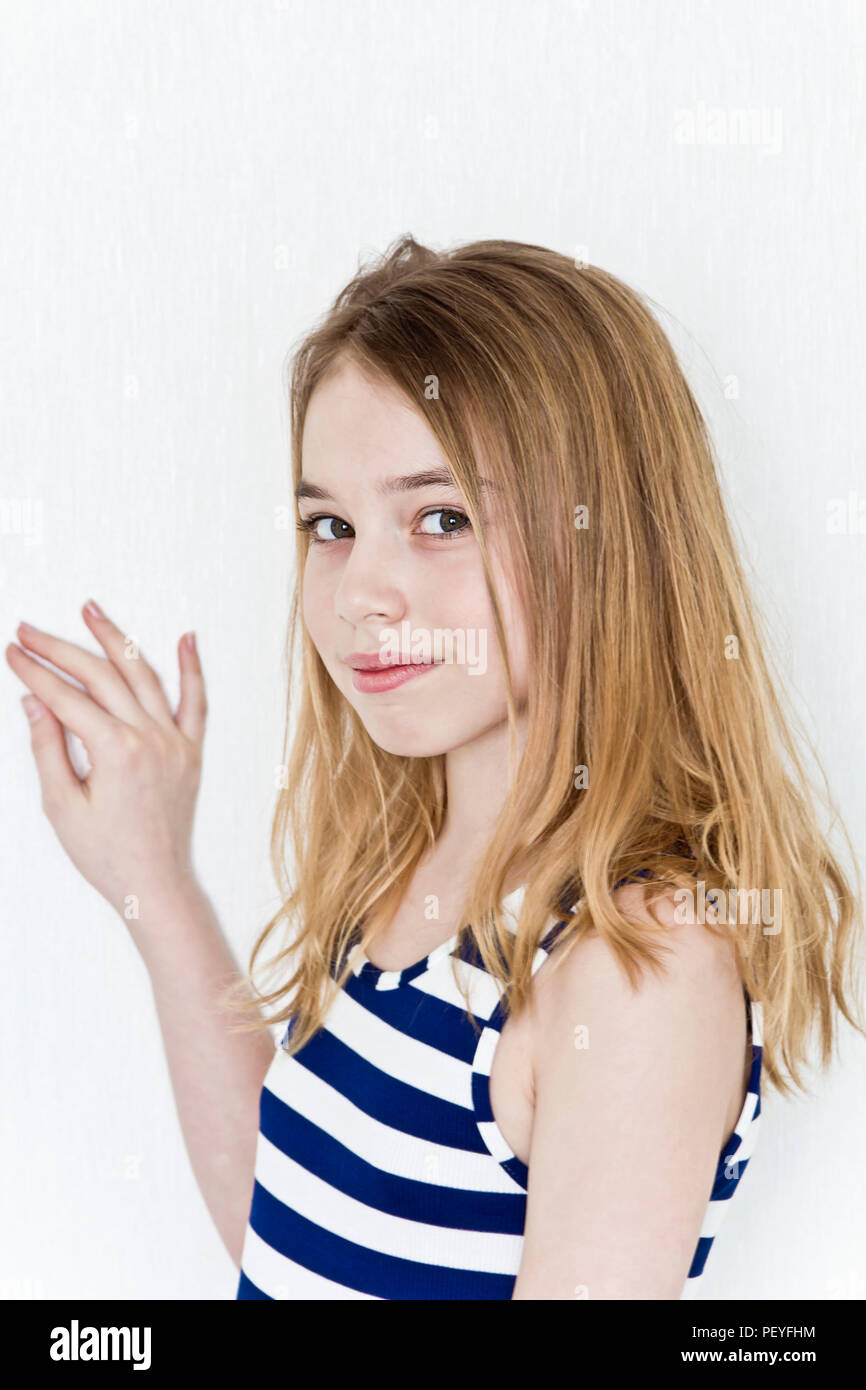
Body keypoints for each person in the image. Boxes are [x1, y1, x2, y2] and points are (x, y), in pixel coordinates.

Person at [8, 236, 863, 1300]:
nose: (360, 588)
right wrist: (152, 874)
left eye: (441, 517)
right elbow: (290, 1228)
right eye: (331, 524)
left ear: (607, 541)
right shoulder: (401, 868)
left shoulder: (632, 962)